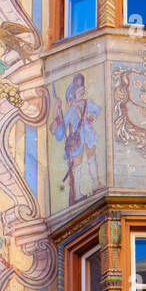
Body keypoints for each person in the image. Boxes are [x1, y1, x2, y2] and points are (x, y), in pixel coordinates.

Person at [51, 74, 101, 205]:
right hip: (77, 142)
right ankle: (78, 195)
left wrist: (92, 116)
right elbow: (60, 133)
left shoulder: (86, 104)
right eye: (79, 92)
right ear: (72, 95)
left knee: (92, 159)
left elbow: (96, 109)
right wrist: (57, 115)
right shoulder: (70, 112)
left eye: (82, 91)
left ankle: (96, 184)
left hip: (88, 136)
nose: (81, 94)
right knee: (77, 167)